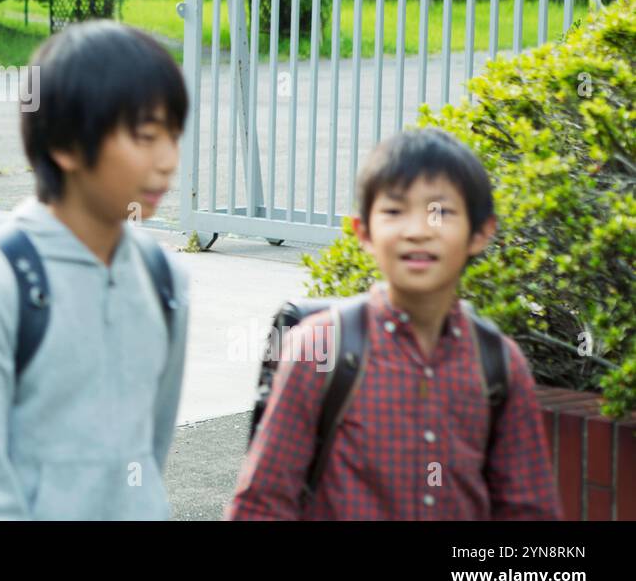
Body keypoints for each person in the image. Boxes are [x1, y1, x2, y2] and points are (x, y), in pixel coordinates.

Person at [0, 20, 191, 519]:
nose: (168, 159)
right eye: (147, 136)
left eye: (174, 135)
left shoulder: (165, 279)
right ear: (66, 145)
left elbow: (150, 448)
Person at [228, 127, 561, 520]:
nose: (417, 231)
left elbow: (528, 510)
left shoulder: (498, 363)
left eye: (440, 212)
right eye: (394, 211)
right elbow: (263, 504)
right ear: (364, 232)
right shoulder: (320, 348)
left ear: (480, 233)